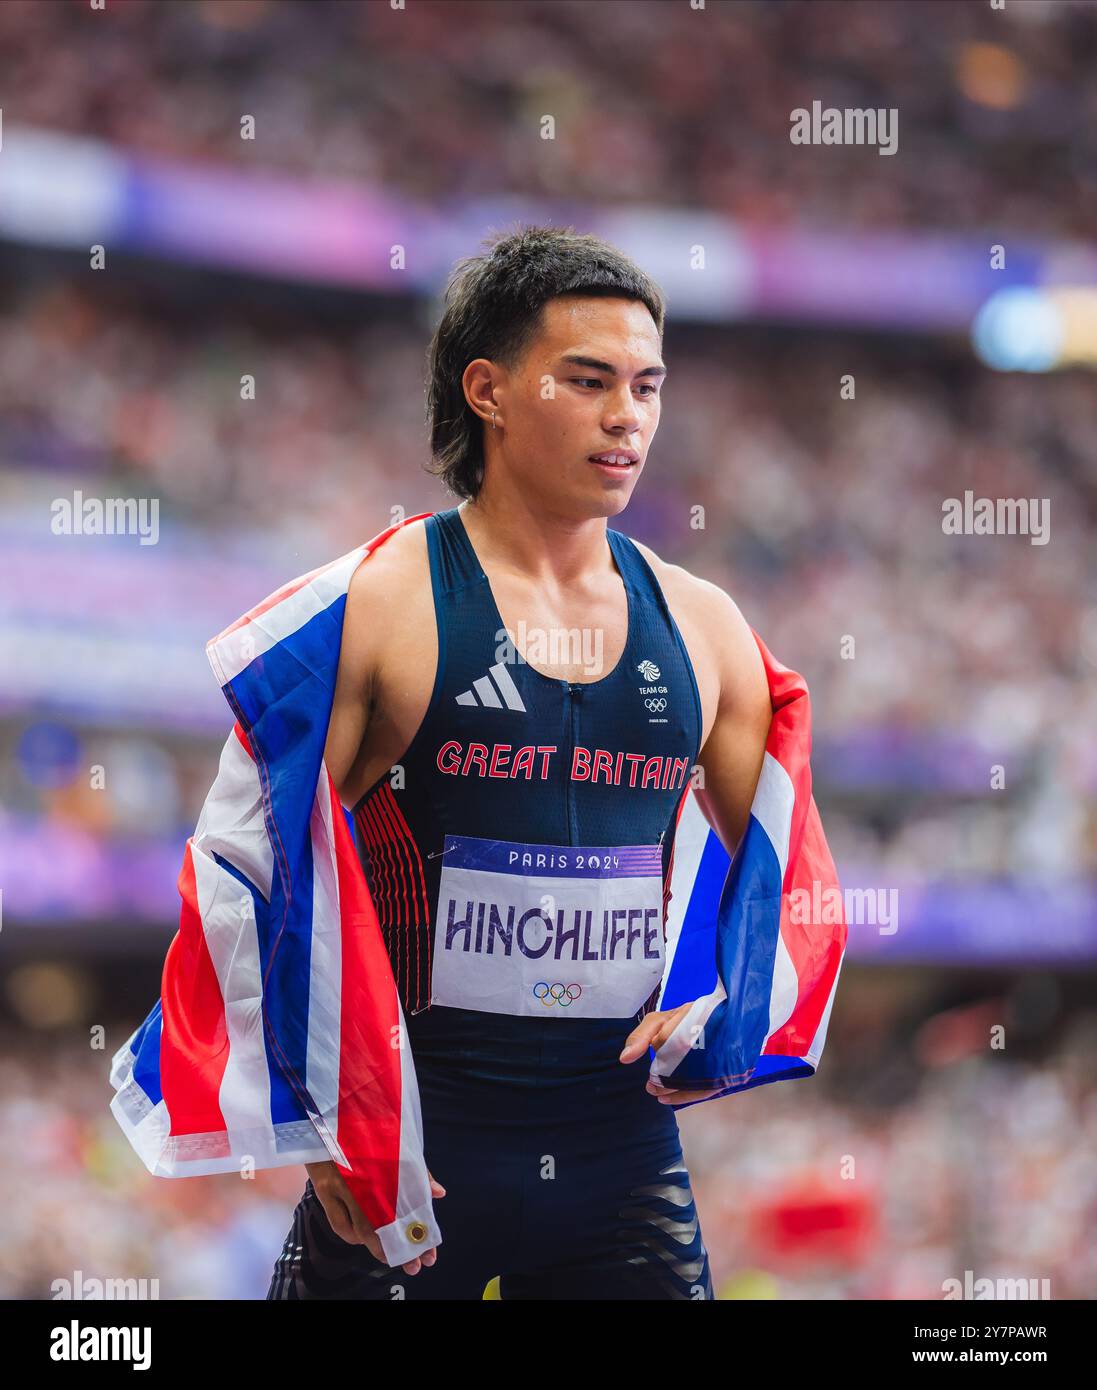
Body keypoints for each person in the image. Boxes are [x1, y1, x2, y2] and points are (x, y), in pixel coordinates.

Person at [266, 226, 773, 1300]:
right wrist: (317, 1128)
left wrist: (733, 988)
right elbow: (257, 868)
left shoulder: (704, 625)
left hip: (619, 1154)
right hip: (411, 1147)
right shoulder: (384, 604)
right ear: (487, 390)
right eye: (586, 380)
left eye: (645, 385)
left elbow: (792, 861)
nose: (625, 414)